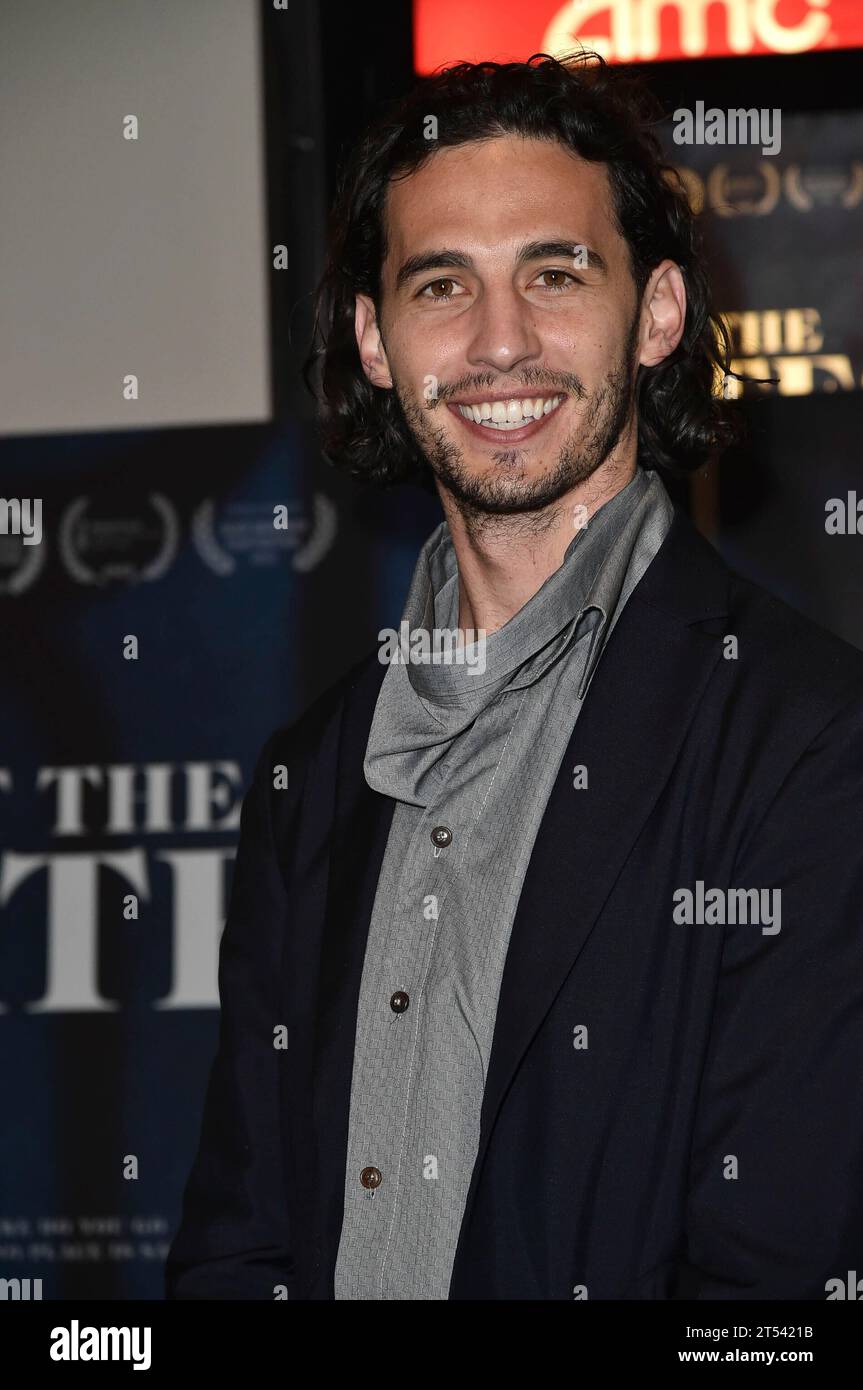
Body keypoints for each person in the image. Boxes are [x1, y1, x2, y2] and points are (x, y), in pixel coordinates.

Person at [166, 53, 863, 1301]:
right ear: (375, 342)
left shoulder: (806, 739)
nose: (499, 342)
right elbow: (237, 1243)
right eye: (443, 284)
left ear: (653, 314)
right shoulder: (310, 774)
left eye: (553, 273)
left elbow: (770, 1289)